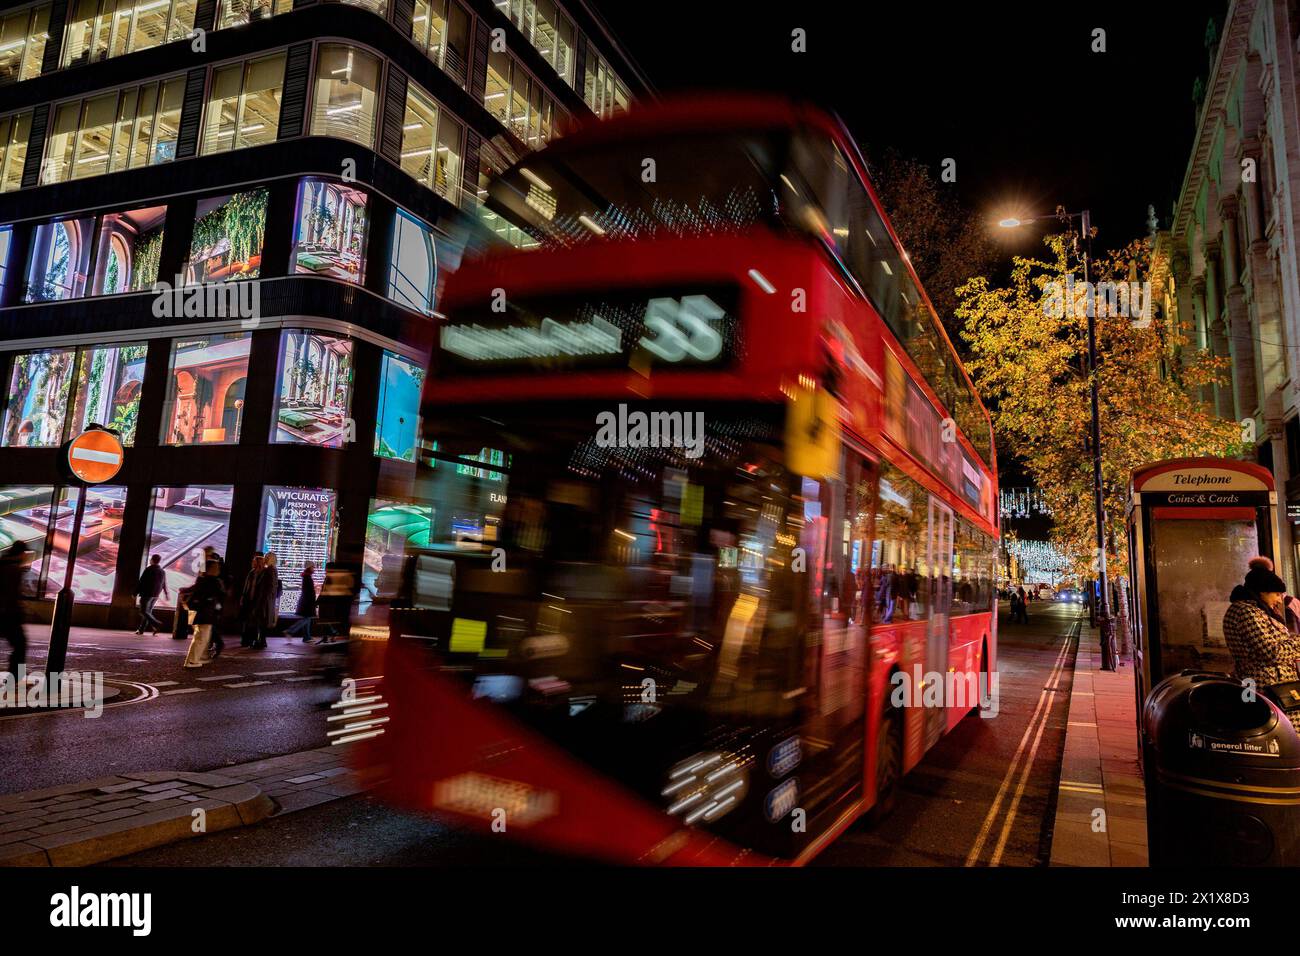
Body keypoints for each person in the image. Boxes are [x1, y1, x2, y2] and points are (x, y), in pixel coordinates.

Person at [1223, 558, 1300, 724]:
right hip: (1261, 688)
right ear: (1263, 591)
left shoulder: (1260, 612)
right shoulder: (1245, 612)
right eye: (1277, 594)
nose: (1280, 600)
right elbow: (1271, 652)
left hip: (1276, 690)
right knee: (1272, 736)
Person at [182, 561, 225, 668]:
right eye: (216, 567)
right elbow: (220, 595)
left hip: (198, 613)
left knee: (200, 637)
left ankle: (196, 658)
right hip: (206, 613)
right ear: (211, 569)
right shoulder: (213, 581)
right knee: (202, 638)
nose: (218, 570)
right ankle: (192, 661)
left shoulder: (202, 580)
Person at [0, 542, 31, 682]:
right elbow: (11, 595)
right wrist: (18, 613)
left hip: (4, 613)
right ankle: (15, 677)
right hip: (7, 615)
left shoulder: (3, 564)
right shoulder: (13, 569)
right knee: (20, 644)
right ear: (21, 553)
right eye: (25, 553)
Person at [250, 551, 282, 649]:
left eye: (267, 557)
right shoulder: (270, 570)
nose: (265, 559)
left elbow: (270, 587)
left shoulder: (271, 570)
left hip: (265, 601)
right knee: (261, 621)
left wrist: (264, 600)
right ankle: (261, 641)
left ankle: (262, 641)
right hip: (265, 600)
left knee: (262, 621)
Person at [134, 554, 169, 635]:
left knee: (143, 611)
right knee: (148, 612)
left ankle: (157, 624)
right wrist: (166, 593)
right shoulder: (162, 571)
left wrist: (135, 593)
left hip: (147, 593)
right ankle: (141, 630)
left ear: (152, 560)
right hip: (156, 595)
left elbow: (141, 582)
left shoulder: (149, 569)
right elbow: (164, 583)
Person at [284, 564, 317, 642]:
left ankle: (307, 637)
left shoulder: (306, 577)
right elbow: (310, 592)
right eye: (313, 568)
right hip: (308, 602)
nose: (314, 569)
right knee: (307, 619)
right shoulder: (308, 578)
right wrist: (314, 601)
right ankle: (290, 631)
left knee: (307, 618)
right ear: (310, 569)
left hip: (305, 601)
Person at [239, 553, 264, 647]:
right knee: (246, 620)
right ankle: (245, 640)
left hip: (256, 600)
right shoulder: (252, 572)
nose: (252, 563)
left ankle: (252, 640)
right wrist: (243, 596)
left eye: (254, 561)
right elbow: (246, 586)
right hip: (248, 599)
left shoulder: (263, 573)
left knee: (253, 621)